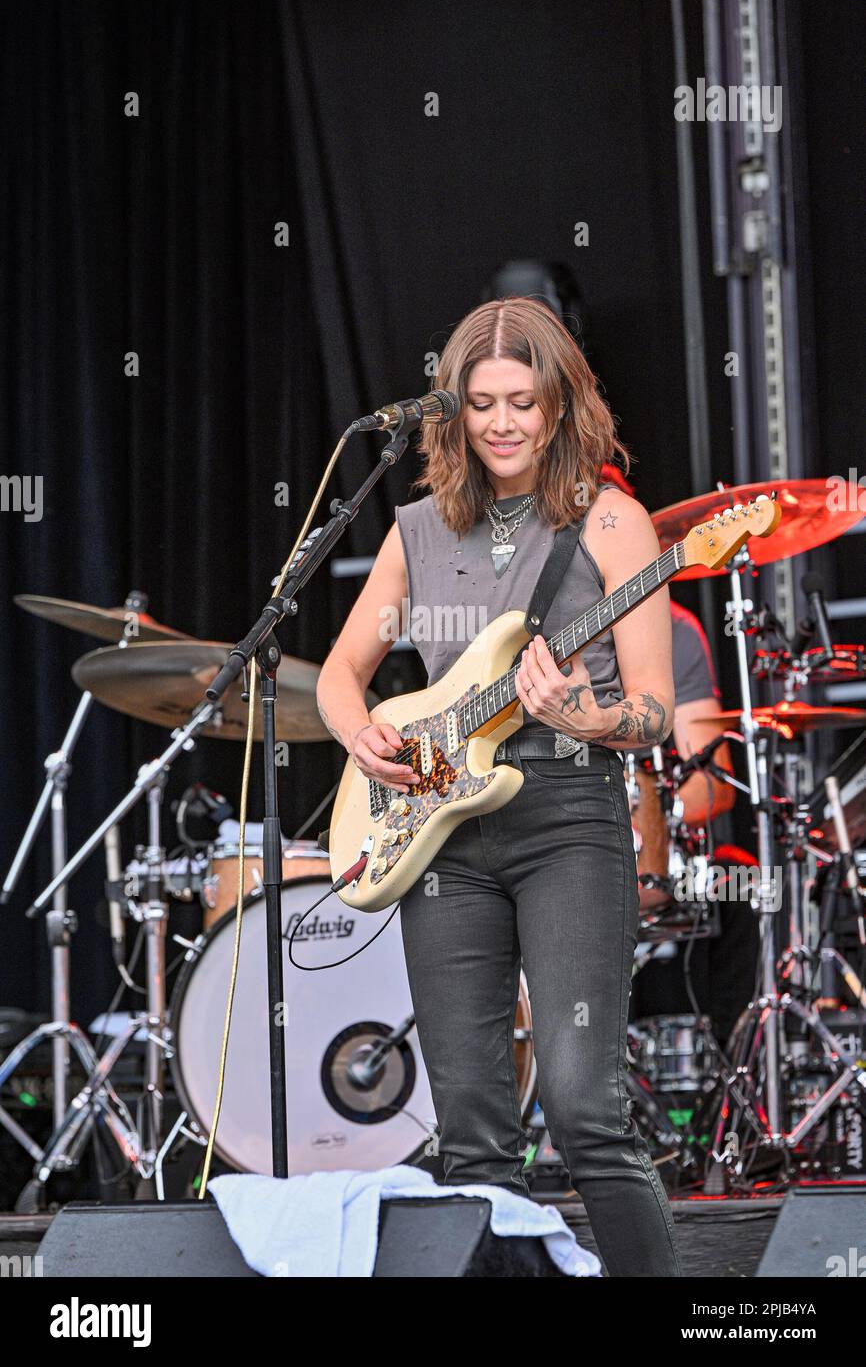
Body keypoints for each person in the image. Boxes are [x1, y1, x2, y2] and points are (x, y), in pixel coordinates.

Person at [316, 297, 681, 1276]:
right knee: (471, 1130)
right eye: (481, 402)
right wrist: (361, 734)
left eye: (522, 400)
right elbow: (339, 676)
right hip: (440, 835)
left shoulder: (611, 522)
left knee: (581, 1104)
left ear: (559, 405)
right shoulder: (416, 529)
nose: (503, 422)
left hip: (567, 819)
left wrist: (586, 716)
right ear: (454, 410)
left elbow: (650, 705)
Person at [599, 465, 759, 1043]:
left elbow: (712, 781)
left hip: (642, 854)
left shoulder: (678, 630)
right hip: (536, 842)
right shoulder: (517, 623)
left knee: (743, 879)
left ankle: (725, 1081)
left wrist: (649, 813)